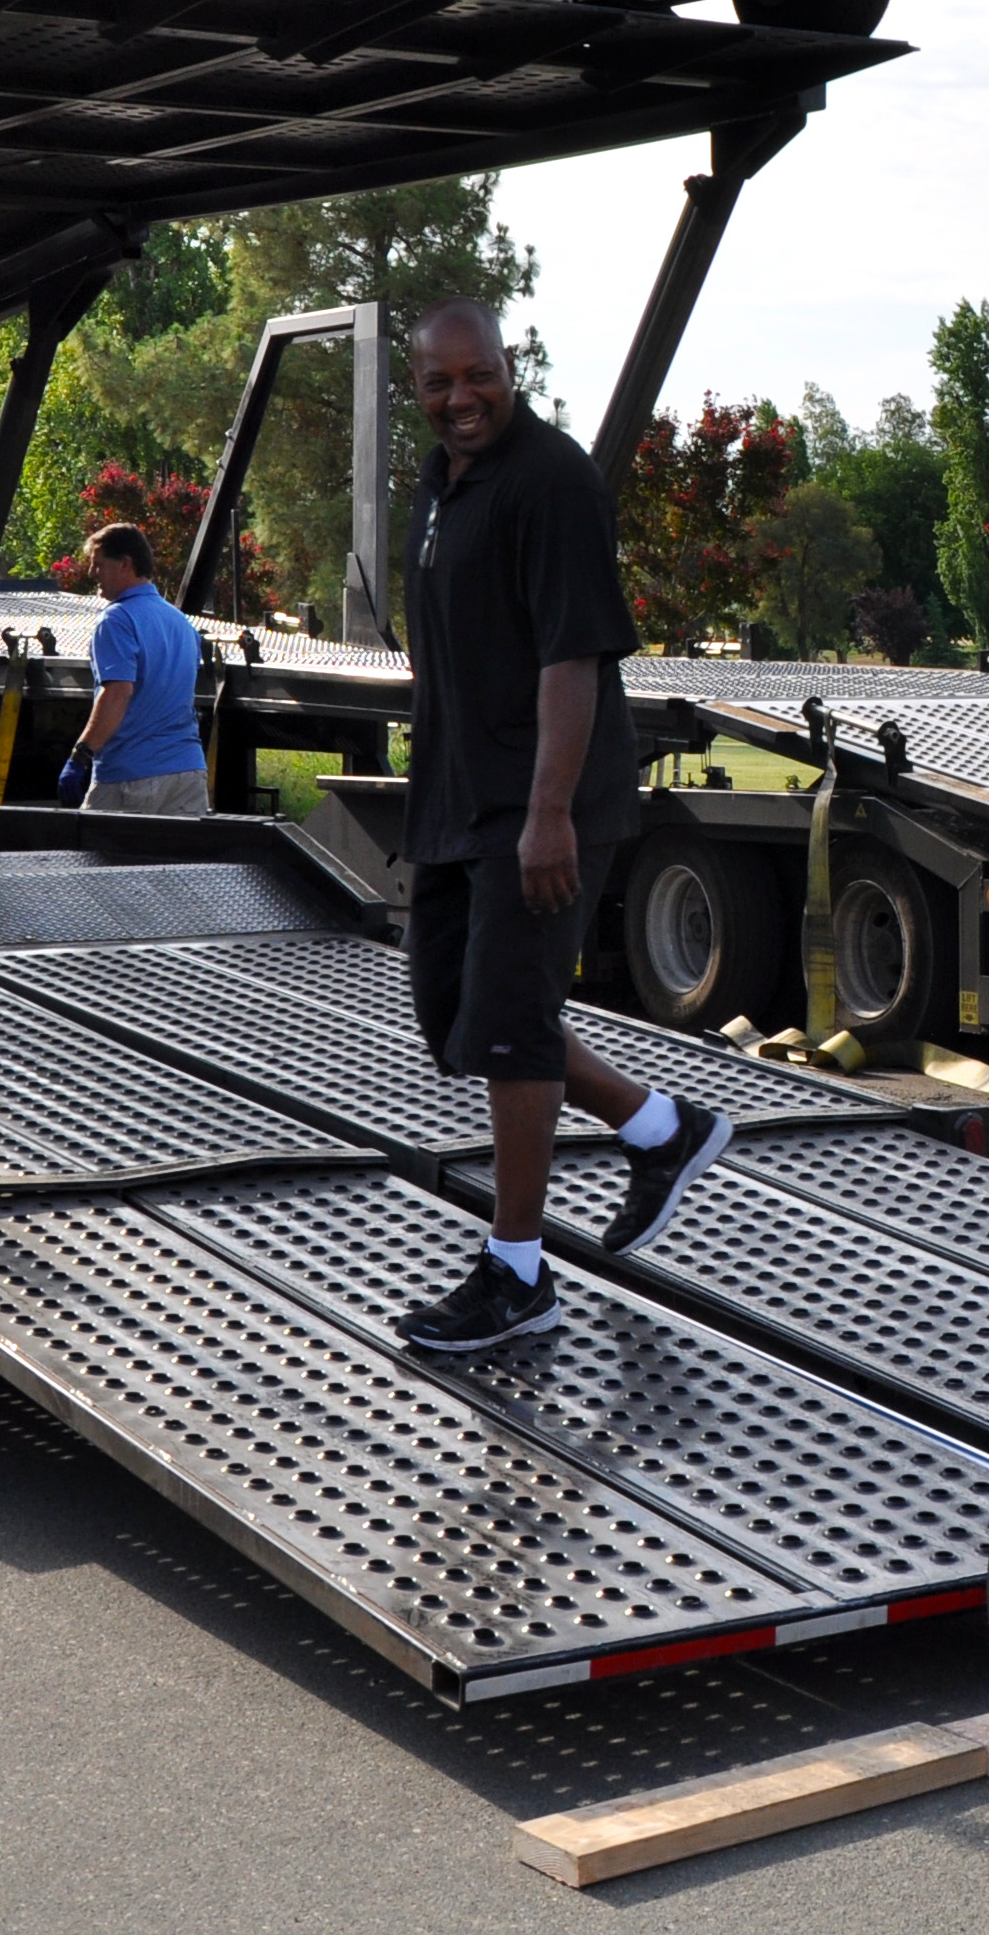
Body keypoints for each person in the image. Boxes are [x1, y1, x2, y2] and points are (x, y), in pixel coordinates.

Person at [387, 299, 731, 1352]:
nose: (461, 397)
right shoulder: (440, 488)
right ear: (420, 389)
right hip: (458, 798)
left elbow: (572, 658)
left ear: (509, 366)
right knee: (460, 1017)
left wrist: (546, 816)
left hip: (543, 804)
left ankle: (517, 1272)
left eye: (477, 374)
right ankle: (660, 1128)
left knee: (509, 1024)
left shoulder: (552, 480)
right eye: (439, 382)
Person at [57, 522, 209, 816]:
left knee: (96, 859)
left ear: (125, 564)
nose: (92, 574)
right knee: (180, 862)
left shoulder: (116, 620)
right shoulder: (181, 624)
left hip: (131, 777)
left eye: (99, 565)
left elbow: (117, 693)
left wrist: (80, 756)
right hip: (188, 773)